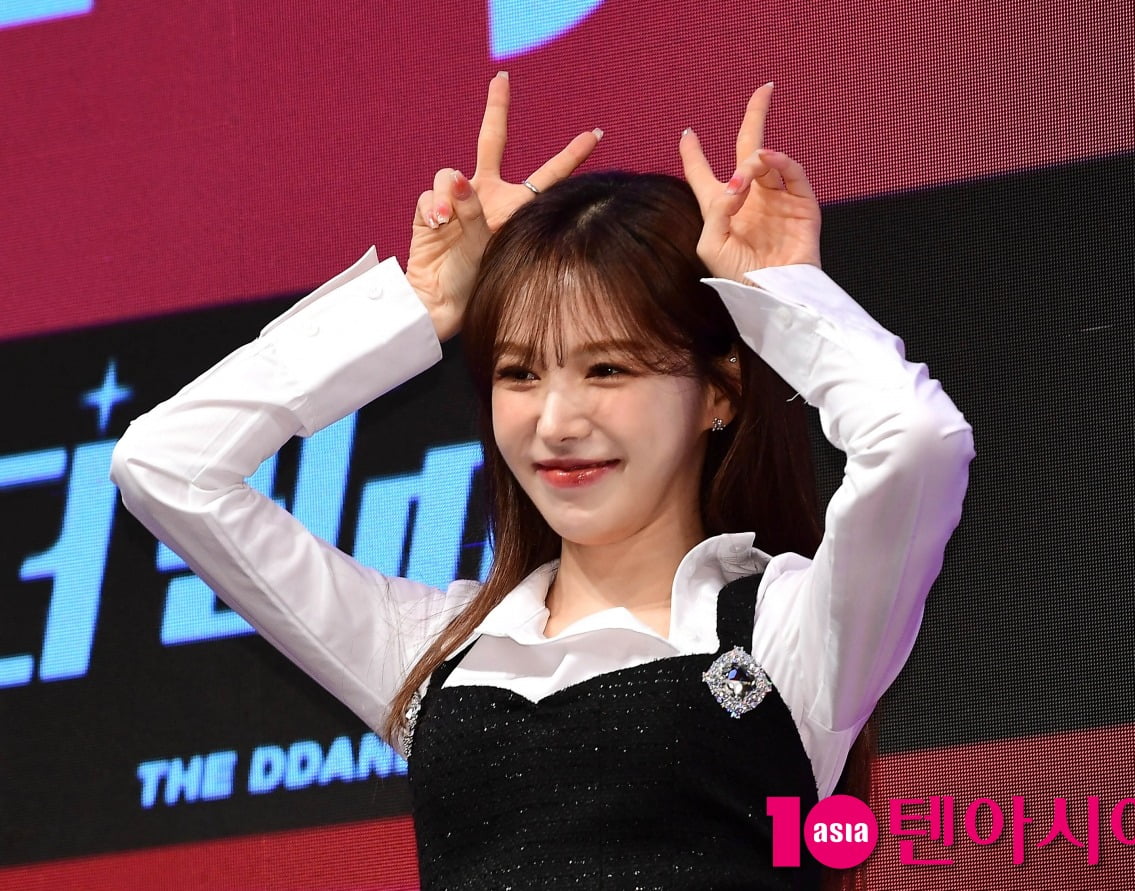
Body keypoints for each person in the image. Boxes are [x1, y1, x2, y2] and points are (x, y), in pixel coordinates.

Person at [111, 74, 974, 889]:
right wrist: (418, 302)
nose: (556, 421)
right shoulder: (437, 651)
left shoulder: (790, 629)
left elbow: (915, 441)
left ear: (719, 391)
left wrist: (782, 294)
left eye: (607, 369)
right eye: (520, 373)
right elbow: (167, 466)